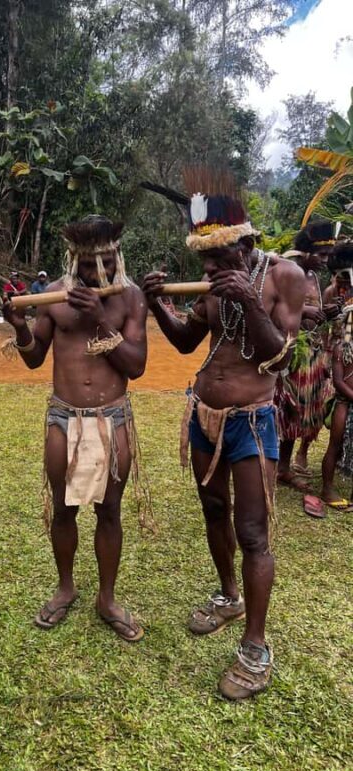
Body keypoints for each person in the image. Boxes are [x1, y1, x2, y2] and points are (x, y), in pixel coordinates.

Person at [143, 171, 305, 699]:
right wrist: (157, 306)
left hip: (251, 421)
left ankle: (255, 647)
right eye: (205, 262)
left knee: (254, 532)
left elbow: (279, 356)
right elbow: (188, 342)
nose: (210, 271)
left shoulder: (286, 277)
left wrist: (250, 302)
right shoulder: (213, 284)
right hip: (203, 415)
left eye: (221, 260)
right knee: (213, 511)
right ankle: (228, 594)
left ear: (250, 245)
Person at [2, 215, 150, 642]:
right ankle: (65, 587)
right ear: (74, 261)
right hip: (64, 416)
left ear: (117, 256)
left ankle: (107, 598)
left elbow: (136, 367)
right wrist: (18, 328)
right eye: (88, 265)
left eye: (105, 262)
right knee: (63, 508)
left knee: (109, 509)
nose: (96, 273)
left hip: (113, 417)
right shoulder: (52, 296)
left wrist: (102, 319)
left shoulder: (131, 298)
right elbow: (34, 358)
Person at [275, 221, 341, 490]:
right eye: (321, 255)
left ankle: (284, 466)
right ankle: (276, 466)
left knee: (304, 411)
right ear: (305, 251)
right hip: (289, 353)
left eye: (327, 256)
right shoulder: (287, 272)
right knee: (287, 411)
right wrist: (304, 313)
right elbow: (273, 307)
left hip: (311, 353)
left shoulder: (313, 276)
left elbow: (317, 313)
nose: (325, 261)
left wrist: (327, 314)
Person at [321, 243, 353, 510]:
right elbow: (339, 380)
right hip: (344, 402)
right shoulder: (342, 347)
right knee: (335, 444)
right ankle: (327, 487)